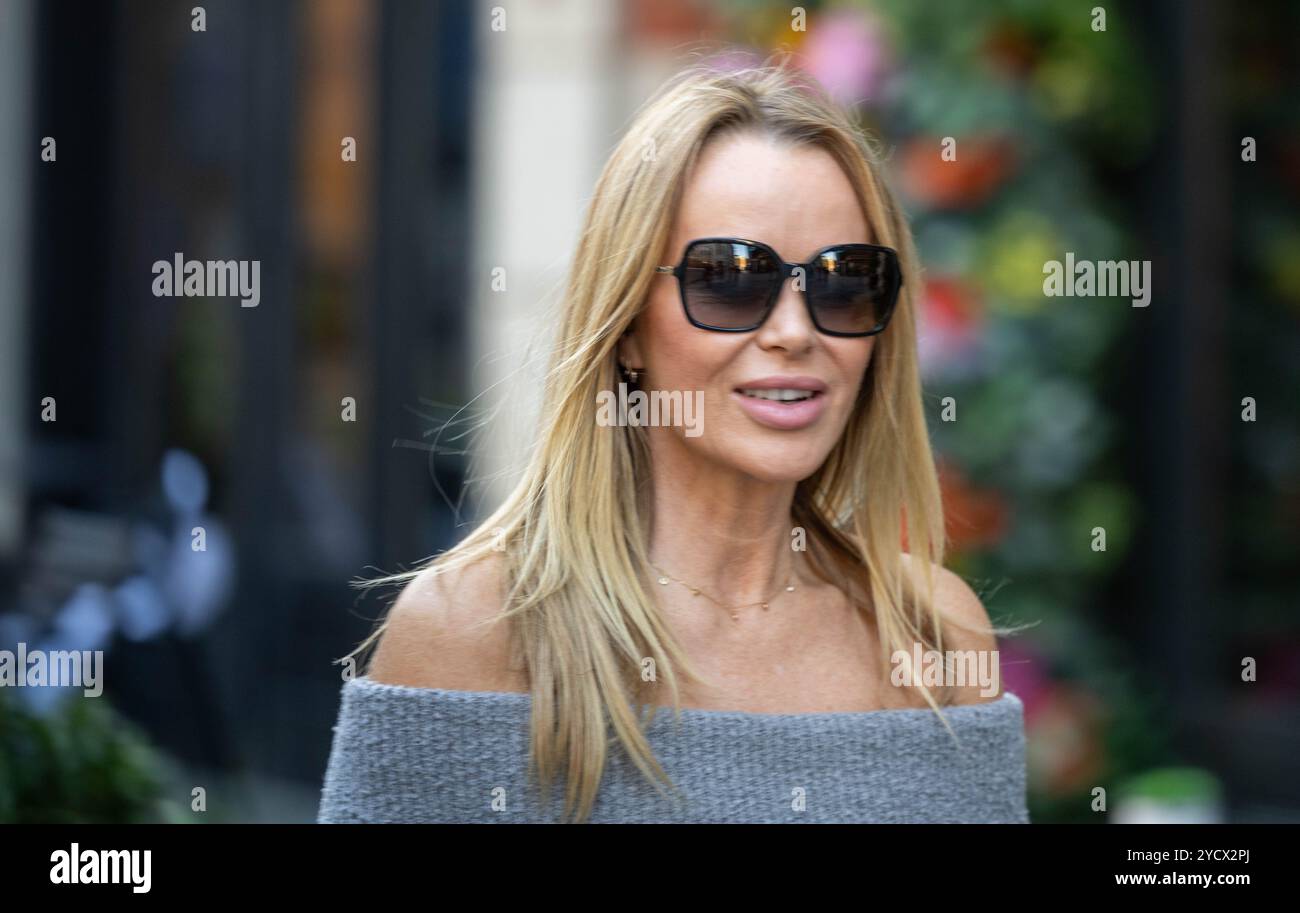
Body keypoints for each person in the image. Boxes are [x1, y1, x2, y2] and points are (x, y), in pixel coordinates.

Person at [318, 56, 1028, 824]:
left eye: (844, 282)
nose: (794, 332)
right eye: (728, 279)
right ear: (627, 328)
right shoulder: (472, 630)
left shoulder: (934, 631)